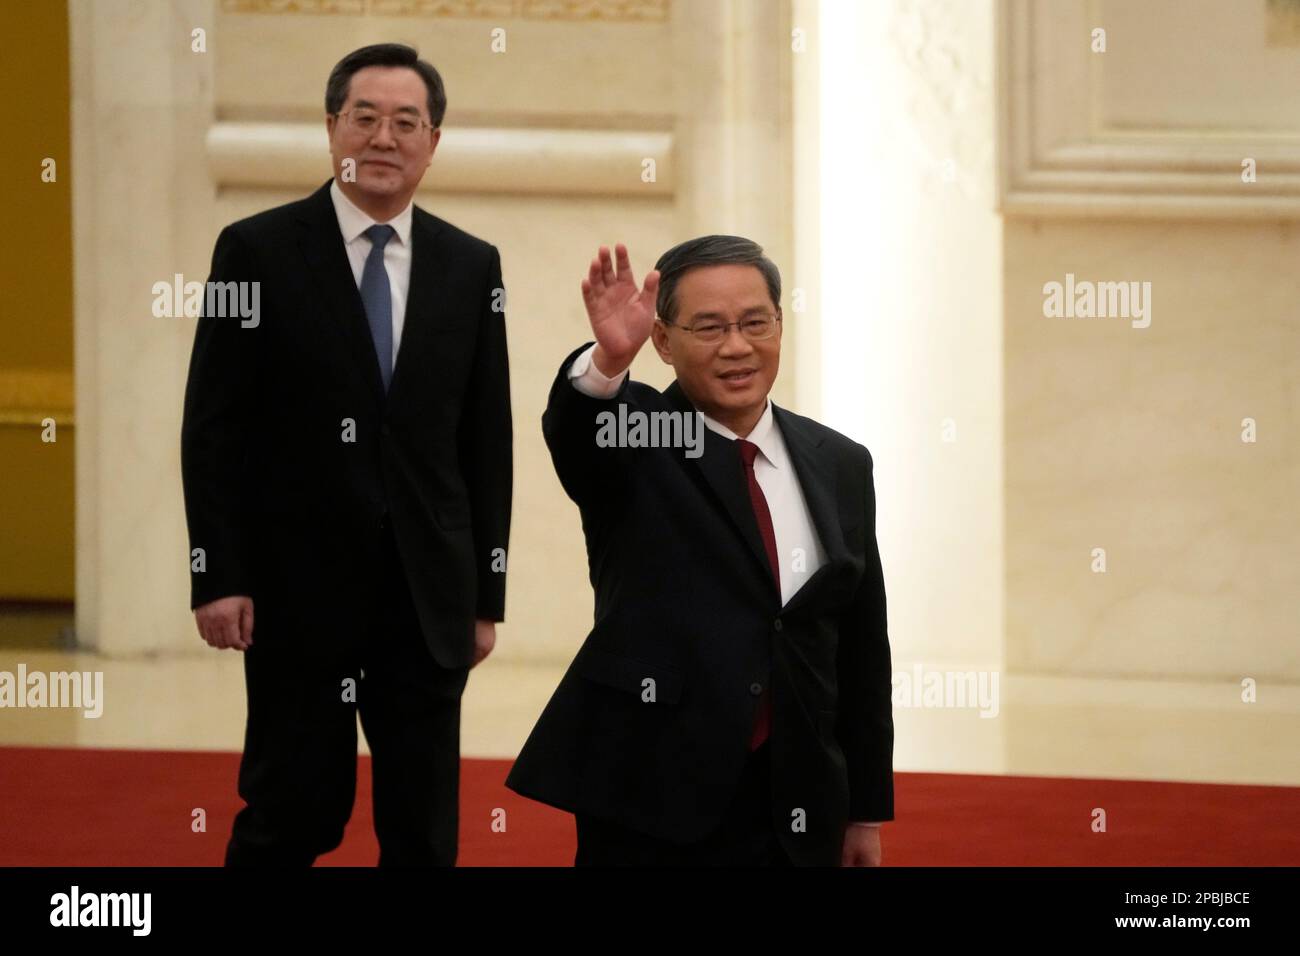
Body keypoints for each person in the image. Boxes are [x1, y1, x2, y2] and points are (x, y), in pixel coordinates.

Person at [180, 43, 512, 866]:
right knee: (292, 814)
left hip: (426, 597)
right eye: (365, 117)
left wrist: (485, 594)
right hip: (297, 596)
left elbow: (486, 440)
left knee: (424, 830)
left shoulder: (473, 268)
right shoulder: (252, 251)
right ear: (332, 128)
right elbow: (212, 425)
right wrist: (218, 573)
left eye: (407, 122)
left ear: (434, 141)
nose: (385, 137)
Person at [505, 238, 893, 866]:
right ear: (663, 341)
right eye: (708, 328)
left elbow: (862, 648)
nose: (736, 347)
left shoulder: (841, 462)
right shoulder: (637, 437)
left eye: (754, 323)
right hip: (653, 793)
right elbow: (578, 430)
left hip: (797, 800)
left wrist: (865, 810)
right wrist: (607, 359)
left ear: (780, 325)